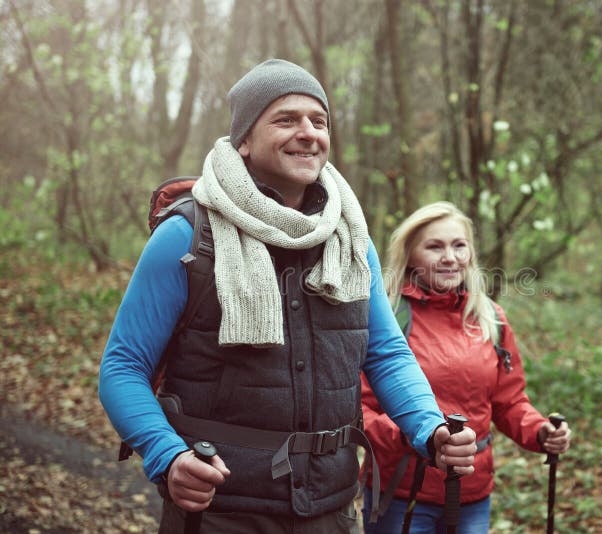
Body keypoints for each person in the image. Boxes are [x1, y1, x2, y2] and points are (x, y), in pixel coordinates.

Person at [98, 59, 477, 534]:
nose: (308, 132)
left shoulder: (350, 240)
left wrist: (430, 427)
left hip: (332, 507)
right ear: (244, 140)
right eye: (285, 119)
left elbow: (384, 352)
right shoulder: (187, 236)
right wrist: (167, 456)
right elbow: (123, 367)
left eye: (319, 122)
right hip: (219, 511)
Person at [360, 201, 572, 533]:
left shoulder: (491, 318)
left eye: (459, 245)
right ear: (410, 255)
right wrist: (419, 436)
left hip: (472, 495)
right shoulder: (387, 318)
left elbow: (509, 402)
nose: (450, 257)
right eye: (434, 246)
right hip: (401, 491)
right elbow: (360, 410)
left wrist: (540, 432)